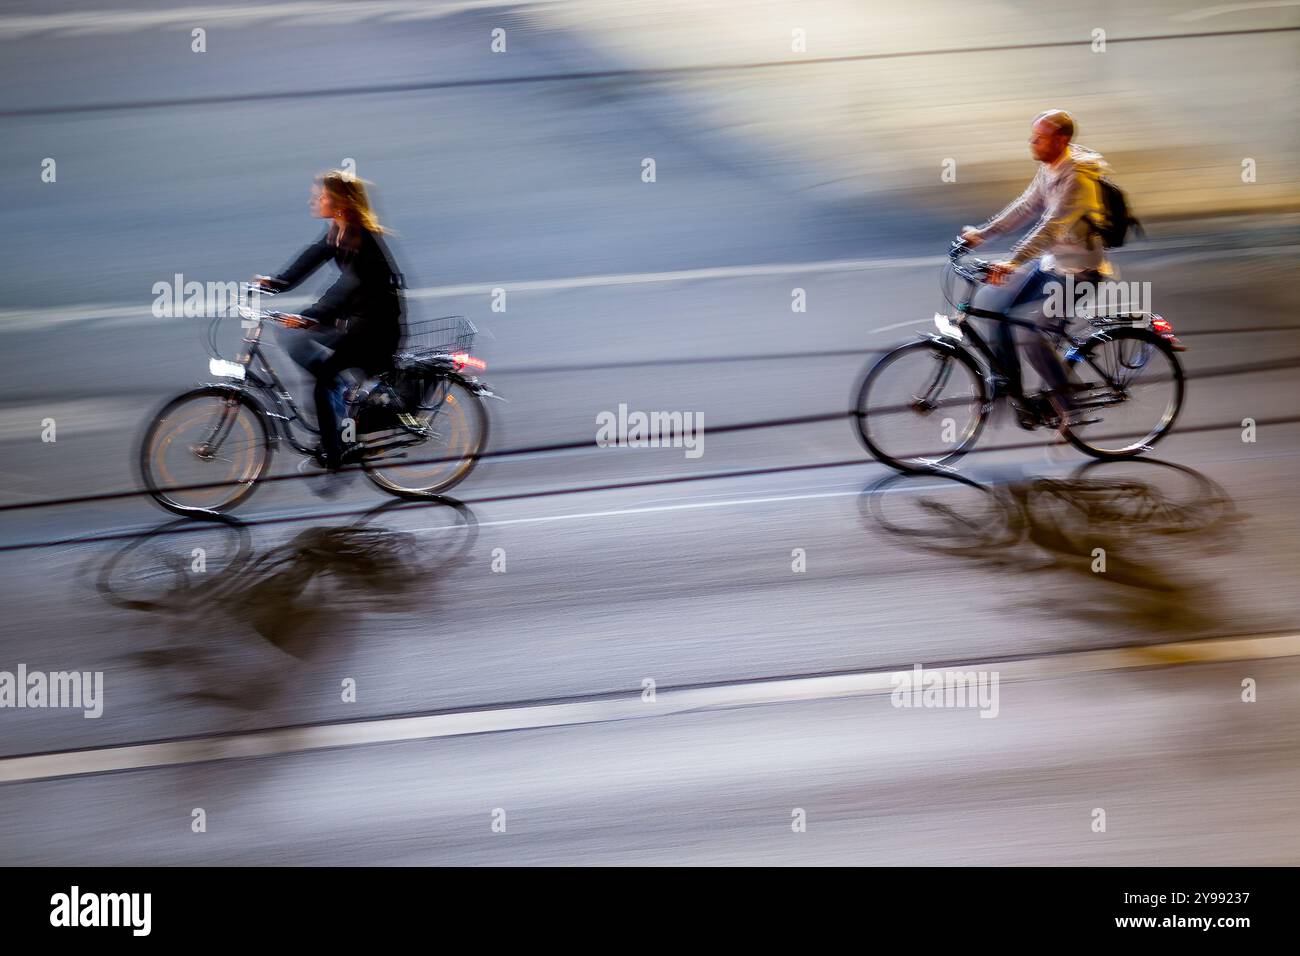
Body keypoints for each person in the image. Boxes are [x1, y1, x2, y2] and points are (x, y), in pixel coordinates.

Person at [960, 109, 1112, 425]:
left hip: (1082, 272)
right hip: (1054, 264)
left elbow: (1050, 227)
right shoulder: (1049, 168)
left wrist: (1012, 261)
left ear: (1062, 139)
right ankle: (1008, 384)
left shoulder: (1077, 180)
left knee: (1034, 337)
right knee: (995, 308)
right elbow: (1025, 207)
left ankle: (1070, 408)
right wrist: (981, 235)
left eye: (1040, 137)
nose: (1033, 142)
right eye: (1033, 136)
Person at [255, 170, 404, 471]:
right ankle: (343, 399)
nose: (313, 200)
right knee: (293, 340)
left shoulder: (359, 237)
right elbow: (312, 256)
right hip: (357, 320)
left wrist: (310, 317)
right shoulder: (339, 229)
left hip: (375, 328)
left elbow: (348, 287)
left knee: (321, 381)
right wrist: (275, 283)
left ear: (339, 202)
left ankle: (335, 454)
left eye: (320, 196)